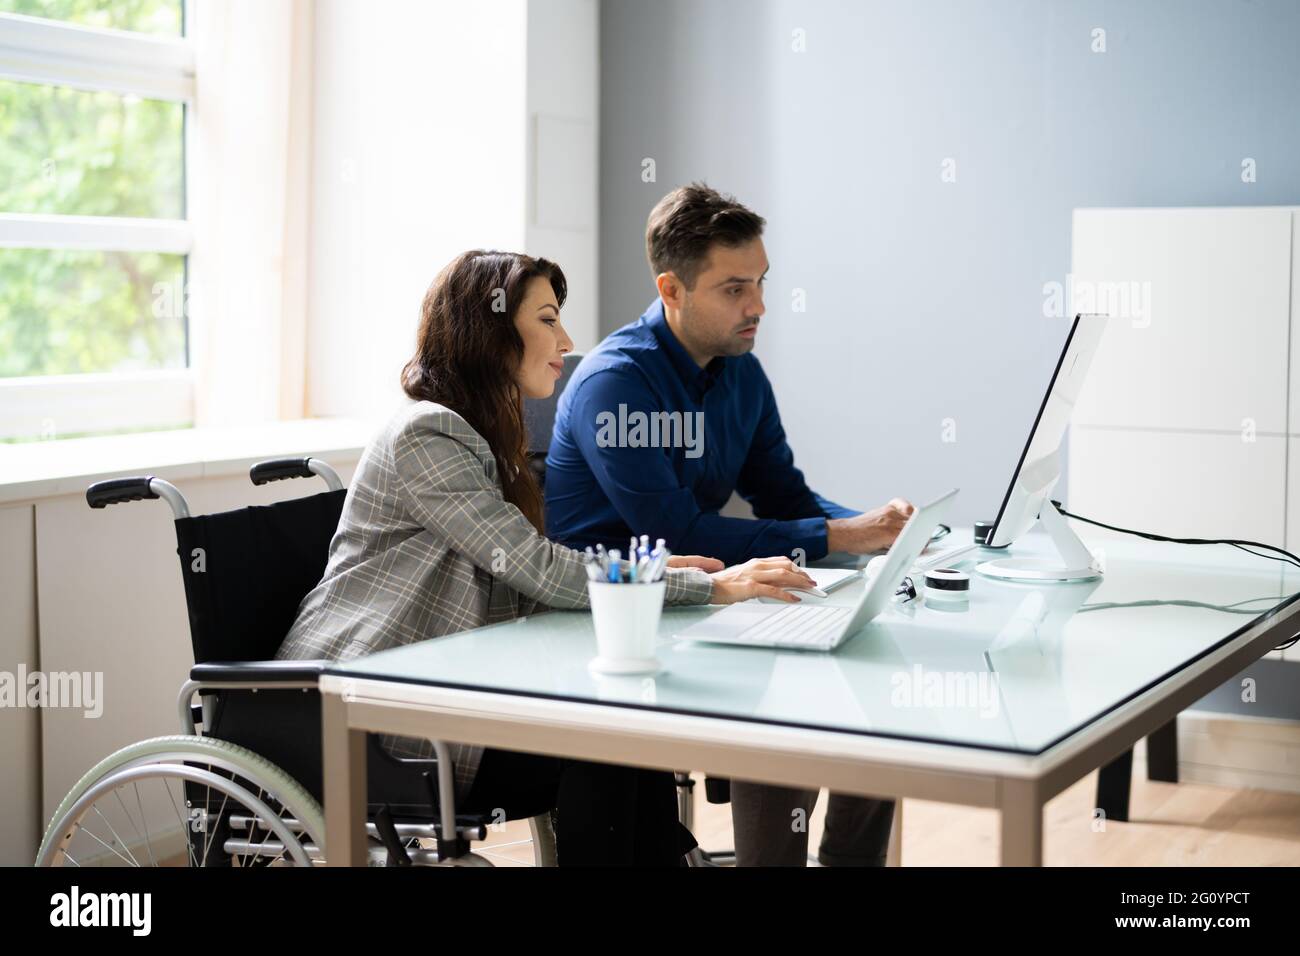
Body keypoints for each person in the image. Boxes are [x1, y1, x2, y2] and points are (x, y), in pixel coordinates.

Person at [276, 248, 816, 866]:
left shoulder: (482, 438)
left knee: (624, 726)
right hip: (365, 714)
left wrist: (663, 576)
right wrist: (703, 587)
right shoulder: (426, 435)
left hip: (428, 692)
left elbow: (530, 569)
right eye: (547, 319)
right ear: (491, 333)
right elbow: (535, 568)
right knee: (602, 734)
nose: (566, 339)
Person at [544, 184, 913, 866]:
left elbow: (783, 496)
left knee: (871, 683)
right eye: (735, 288)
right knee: (790, 692)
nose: (759, 307)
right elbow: (676, 533)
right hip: (606, 623)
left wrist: (882, 529)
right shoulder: (614, 383)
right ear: (672, 289)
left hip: (697, 604)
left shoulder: (742, 374)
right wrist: (841, 537)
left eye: (763, 283)